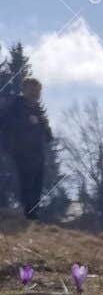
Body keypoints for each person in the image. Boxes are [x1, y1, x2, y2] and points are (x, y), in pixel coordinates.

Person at [0, 76, 50, 217]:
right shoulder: (15, 106)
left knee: (37, 183)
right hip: (21, 151)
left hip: (38, 152)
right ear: (24, 91)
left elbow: (48, 137)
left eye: (37, 91)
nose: (35, 94)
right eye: (32, 91)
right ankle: (28, 212)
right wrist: (26, 122)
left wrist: (45, 127)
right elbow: (4, 123)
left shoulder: (39, 111)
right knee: (26, 180)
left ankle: (33, 213)